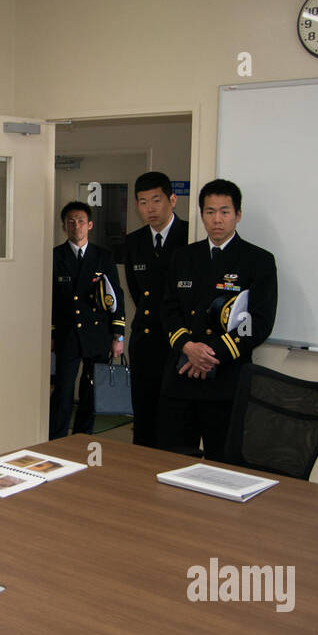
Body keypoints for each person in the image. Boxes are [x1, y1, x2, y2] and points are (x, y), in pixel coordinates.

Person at [158, 178, 277, 461]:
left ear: (238, 215)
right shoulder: (182, 257)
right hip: (181, 376)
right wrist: (188, 347)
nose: (217, 219)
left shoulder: (257, 260)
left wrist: (211, 355)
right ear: (201, 215)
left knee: (222, 467)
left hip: (226, 380)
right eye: (210, 212)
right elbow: (169, 310)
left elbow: (258, 322)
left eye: (225, 211)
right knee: (171, 463)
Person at [123, 171, 188, 448]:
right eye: (143, 202)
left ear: (172, 200)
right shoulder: (133, 241)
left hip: (176, 346)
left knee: (173, 422)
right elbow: (139, 293)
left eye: (156, 200)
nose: (150, 208)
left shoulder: (189, 235)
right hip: (145, 341)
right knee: (144, 421)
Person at [49, 201, 125, 438]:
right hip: (67, 334)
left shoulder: (103, 257)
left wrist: (118, 335)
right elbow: (49, 299)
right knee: (63, 390)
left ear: (90, 225)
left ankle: (83, 436)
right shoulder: (55, 256)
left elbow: (116, 296)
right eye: (71, 221)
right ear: (64, 226)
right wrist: (51, 333)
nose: (76, 226)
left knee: (91, 391)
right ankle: (57, 437)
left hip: (97, 334)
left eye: (81, 221)